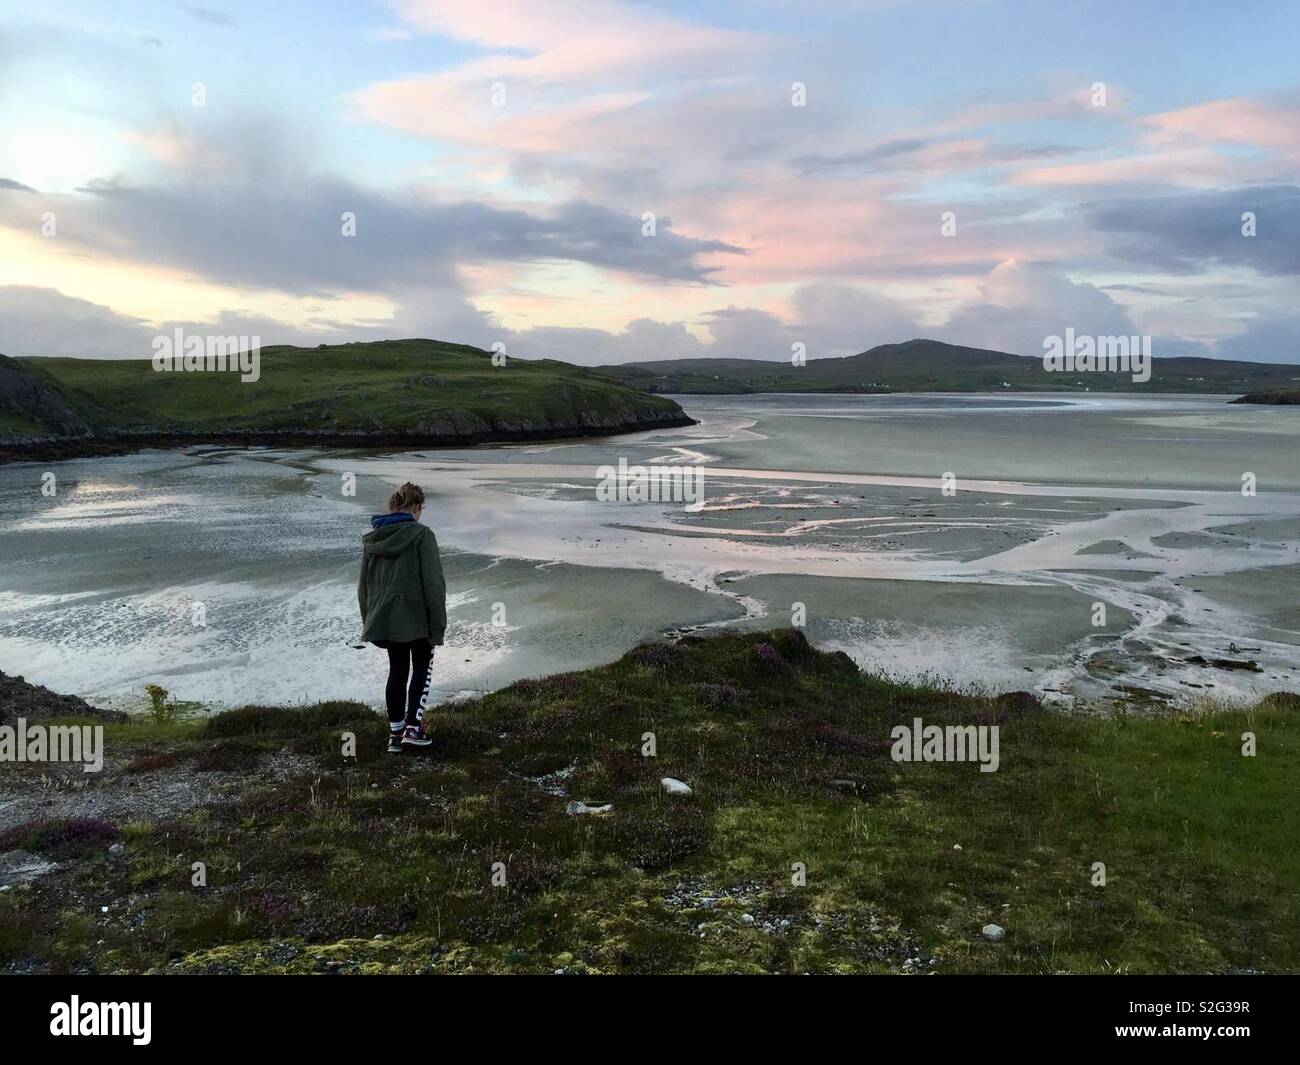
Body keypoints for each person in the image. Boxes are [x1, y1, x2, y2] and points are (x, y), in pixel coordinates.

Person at [357, 482, 447, 753]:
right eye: (421, 509)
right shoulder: (422, 535)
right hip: (417, 617)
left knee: (397, 670)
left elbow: (363, 586)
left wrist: (370, 620)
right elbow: (434, 583)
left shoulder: (374, 539)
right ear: (417, 507)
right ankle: (413, 729)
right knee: (422, 668)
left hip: (385, 616)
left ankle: (395, 735)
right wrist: (438, 625)